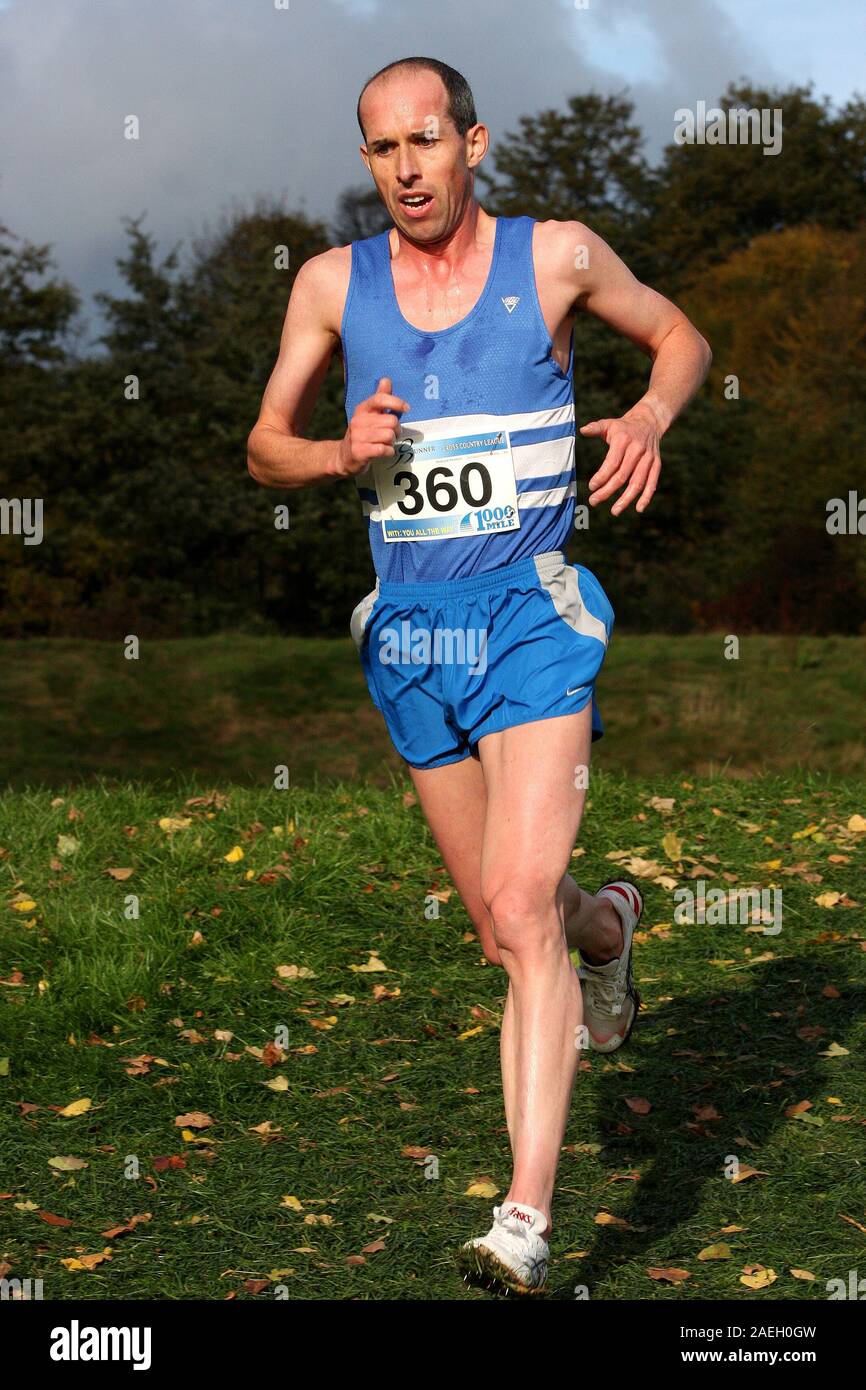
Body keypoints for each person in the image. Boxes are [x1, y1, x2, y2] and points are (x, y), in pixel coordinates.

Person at [247, 55, 711, 1296]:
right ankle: (604, 930)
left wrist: (652, 414)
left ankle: (524, 1214)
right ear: (367, 163)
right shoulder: (332, 285)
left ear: (472, 142)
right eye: (382, 149)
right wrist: (334, 453)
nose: (407, 168)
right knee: (512, 929)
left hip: (531, 615)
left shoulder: (555, 257)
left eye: (426, 142)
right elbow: (260, 447)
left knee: (515, 900)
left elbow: (678, 335)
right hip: (409, 630)